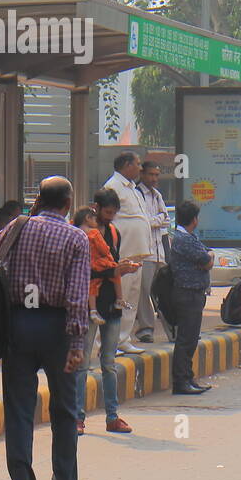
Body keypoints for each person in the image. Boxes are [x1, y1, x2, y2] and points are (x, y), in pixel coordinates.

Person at [0, 176, 90, 480]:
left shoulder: (18, 226)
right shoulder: (76, 237)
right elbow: (76, 296)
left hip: (18, 325)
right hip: (57, 328)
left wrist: (24, 221)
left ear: (39, 200)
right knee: (65, 410)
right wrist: (76, 342)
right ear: (68, 202)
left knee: (19, 411)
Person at [76, 190, 140, 435]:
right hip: (87, 303)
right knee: (82, 364)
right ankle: (77, 417)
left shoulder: (113, 233)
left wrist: (120, 270)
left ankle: (112, 416)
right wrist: (114, 271)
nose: (110, 218)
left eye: (114, 214)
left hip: (111, 304)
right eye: (107, 213)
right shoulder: (80, 233)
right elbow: (81, 270)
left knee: (109, 363)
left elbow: (111, 266)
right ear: (96, 208)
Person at [102, 152, 151, 355]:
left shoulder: (134, 189)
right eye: (137, 164)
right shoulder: (112, 186)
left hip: (138, 251)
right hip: (123, 252)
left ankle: (124, 338)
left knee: (132, 295)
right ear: (127, 165)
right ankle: (110, 341)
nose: (140, 168)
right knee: (119, 296)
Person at [168, 201, 212, 395]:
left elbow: (205, 258)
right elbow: (206, 259)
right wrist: (208, 257)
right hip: (187, 293)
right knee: (186, 339)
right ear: (194, 219)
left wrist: (207, 257)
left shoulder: (188, 237)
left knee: (191, 339)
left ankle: (188, 377)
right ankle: (181, 381)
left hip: (194, 293)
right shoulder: (183, 239)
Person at [133, 160, 169, 344]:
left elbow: (166, 219)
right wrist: (158, 219)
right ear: (142, 175)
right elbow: (145, 221)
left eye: (157, 175)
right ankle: (145, 329)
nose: (154, 178)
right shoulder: (136, 194)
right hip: (145, 252)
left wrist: (157, 220)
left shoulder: (157, 195)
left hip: (159, 251)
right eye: (151, 174)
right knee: (144, 292)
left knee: (162, 292)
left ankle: (170, 328)